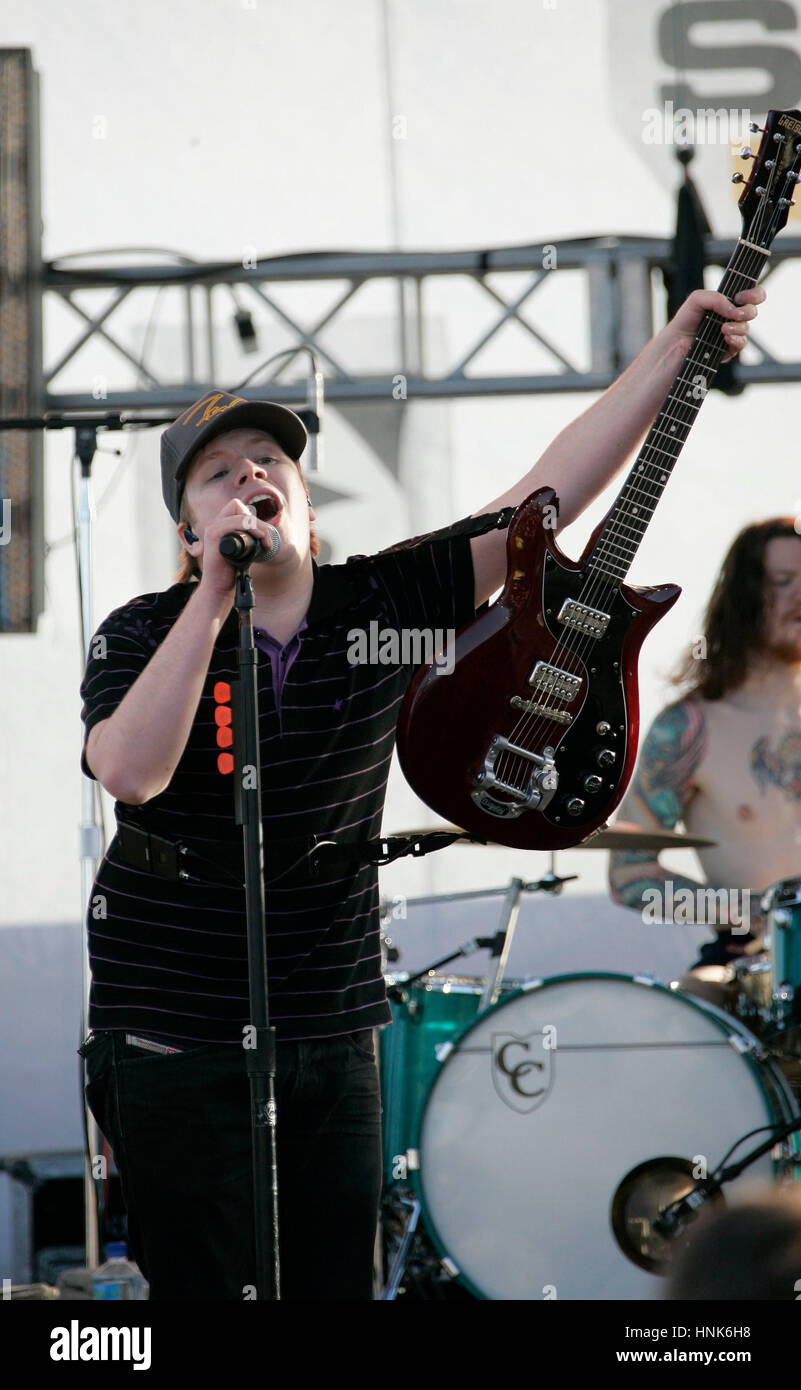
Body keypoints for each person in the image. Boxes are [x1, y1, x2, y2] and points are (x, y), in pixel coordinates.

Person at [78, 287, 761, 1301]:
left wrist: (675, 344)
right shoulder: (142, 632)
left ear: (307, 506)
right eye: (219, 474)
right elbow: (131, 770)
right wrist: (216, 594)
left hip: (327, 1008)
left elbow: (548, 498)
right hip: (171, 1019)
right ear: (189, 528)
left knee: (331, 1283)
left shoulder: (383, 601)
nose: (251, 476)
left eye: (271, 463)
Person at [609, 516, 801, 989]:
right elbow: (630, 874)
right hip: (753, 962)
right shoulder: (688, 728)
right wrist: (743, 911)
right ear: (744, 599)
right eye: (783, 582)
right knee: (699, 995)